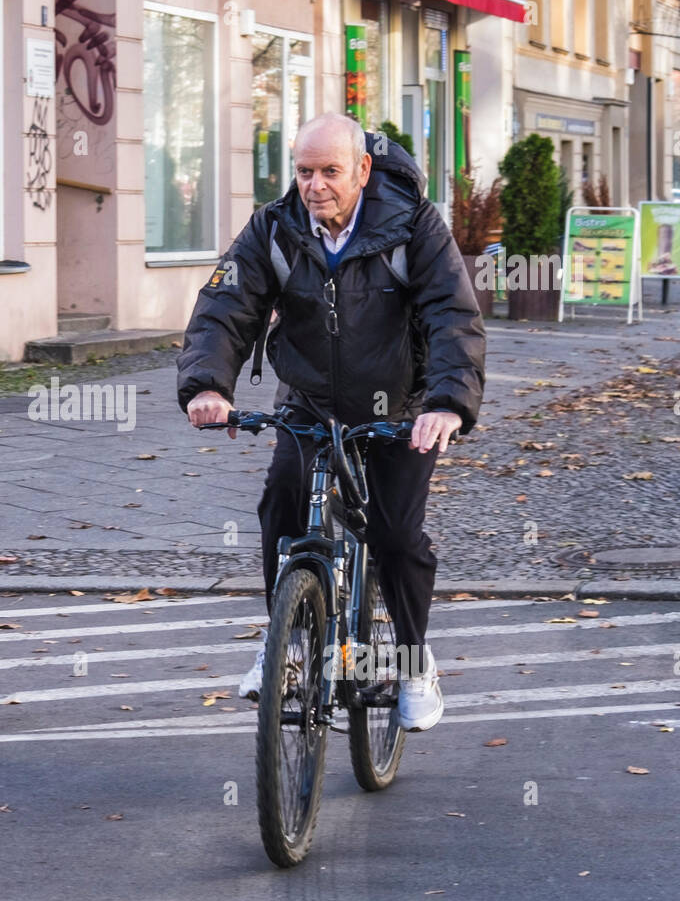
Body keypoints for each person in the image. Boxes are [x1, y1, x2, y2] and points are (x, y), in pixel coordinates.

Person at [177, 113, 485, 732]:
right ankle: (284, 641)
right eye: (304, 171)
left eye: (330, 172)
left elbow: (452, 313)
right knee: (282, 503)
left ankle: (412, 662)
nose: (315, 186)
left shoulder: (413, 225)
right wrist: (208, 385)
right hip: (311, 403)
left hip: (401, 408)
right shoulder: (274, 227)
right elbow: (225, 306)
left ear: (363, 170)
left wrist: (447, 403)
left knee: (395, 537)